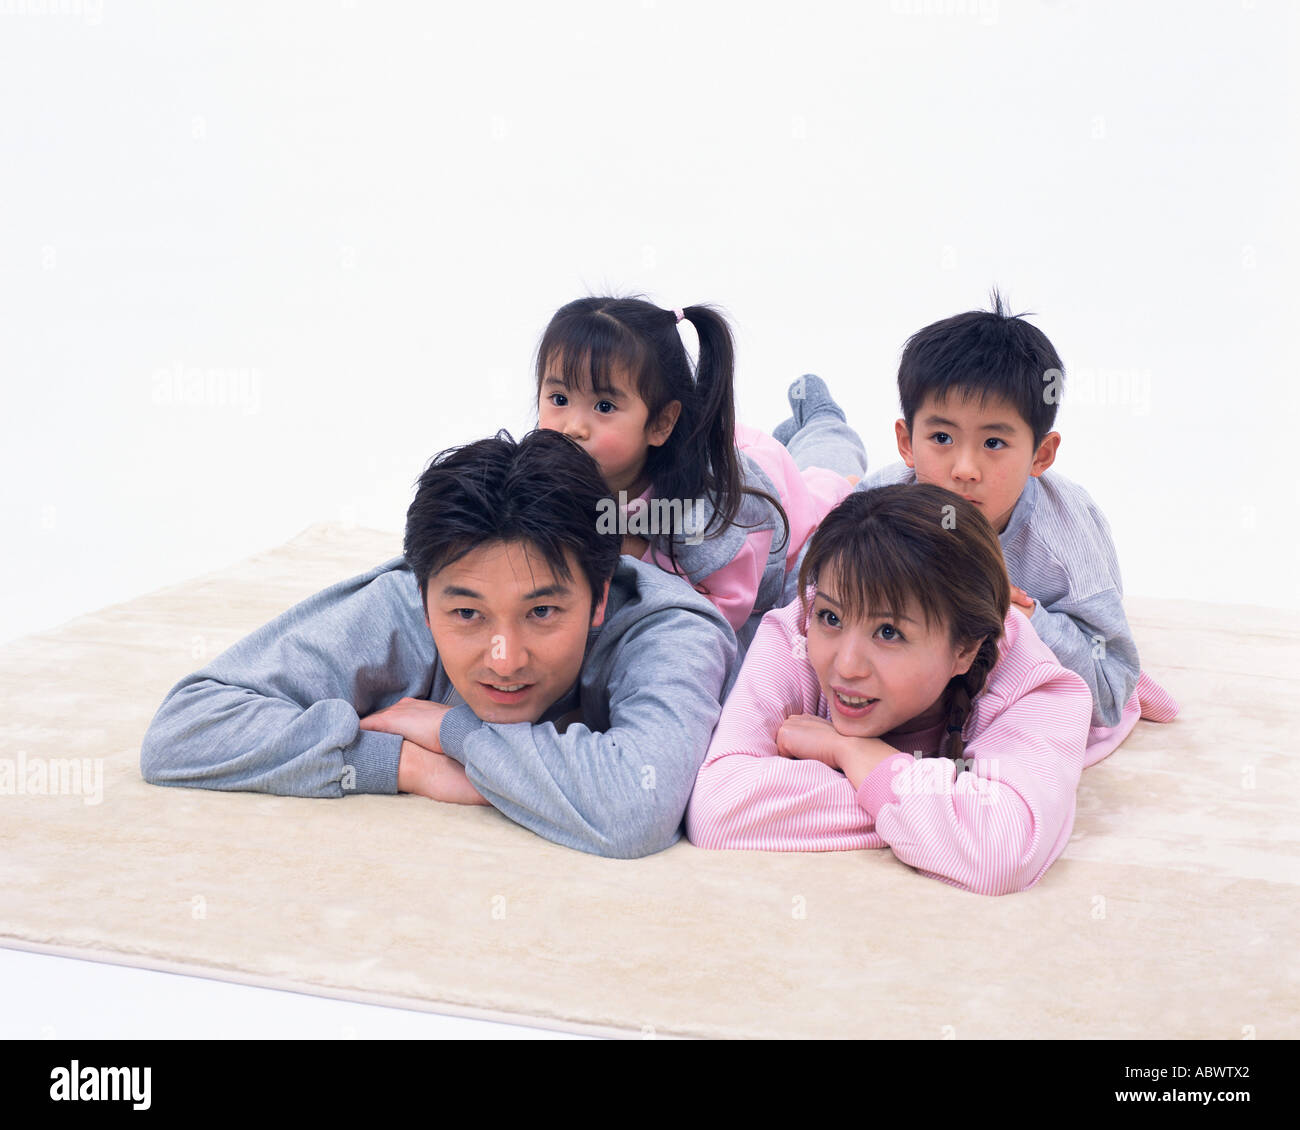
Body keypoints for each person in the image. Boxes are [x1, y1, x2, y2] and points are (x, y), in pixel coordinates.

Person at [139, 430, 737, 859]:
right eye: (468, 615)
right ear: (425, 598)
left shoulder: (674, 629)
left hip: (767, 552)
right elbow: (183, 732)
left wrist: (455, 732)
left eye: (544, 612)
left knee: (801, 477)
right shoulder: (403, 601)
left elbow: (637, 809)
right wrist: (406, 764)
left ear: (599, 598)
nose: (505, 659)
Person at [685, 485, 1094, 896]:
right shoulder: (797, 630)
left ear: (964, 651)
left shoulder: (1039, 688)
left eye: (888, 632)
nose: (845, 666)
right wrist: (942, 807)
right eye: (831, 617)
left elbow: (999, 849)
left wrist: (856, 754)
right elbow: (719, 804)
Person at [854, 292, 1177, 763]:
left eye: (993, 442)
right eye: (941, 438)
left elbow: (1110, 691)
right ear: (906, 442)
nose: (965, 468)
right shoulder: (880, 504)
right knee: (815, 480)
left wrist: (1021, 615)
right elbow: (810, 602)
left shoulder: (1065, 543)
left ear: (1040, 455)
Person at [535, 296, 866, 652]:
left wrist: (636, 551)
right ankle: (795, 433)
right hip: (721, 445)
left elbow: (727, 614)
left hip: (781, 510)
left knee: (830, 477)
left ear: (661, 423)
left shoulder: (710, 515)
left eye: (604, 406)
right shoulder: (553, 467)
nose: (572, 427)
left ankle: (822, 420)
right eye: (558, 398)